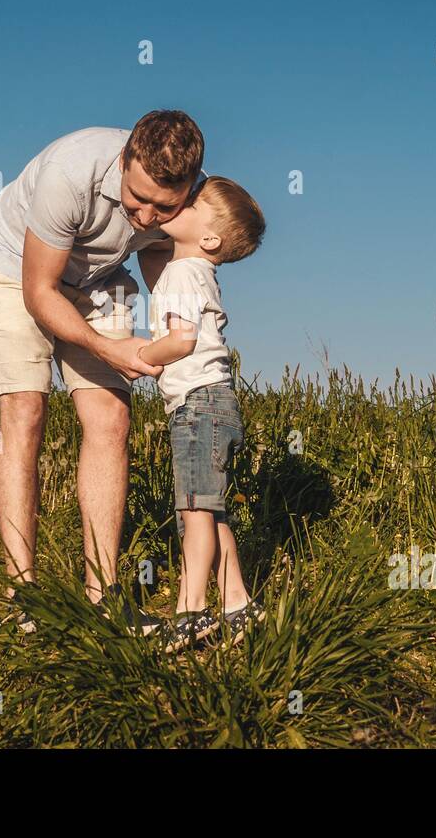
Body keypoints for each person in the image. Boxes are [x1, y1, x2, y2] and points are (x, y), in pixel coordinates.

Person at [0, 110, 205, 634]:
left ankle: (103, 597)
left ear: (189, 188)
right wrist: (106, 348)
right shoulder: (70, 172)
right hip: (17, 268)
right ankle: (23, 595)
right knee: (25, 409)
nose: (145, 216)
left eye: (163, 206)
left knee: (111, 421)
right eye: (137, 198)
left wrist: (180, 327)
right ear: (124, 159)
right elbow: (39, 292)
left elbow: (164, 256)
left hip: (101, 276)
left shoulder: (192, 198)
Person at [138, 176, 267, 650]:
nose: (179, 204)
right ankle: (238, 604)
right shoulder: (197, 272)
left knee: (193, 511)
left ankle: (190, 613)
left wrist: (141, 358)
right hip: (216, 401)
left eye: (192, 203)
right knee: (212, 512)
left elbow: (182, 341)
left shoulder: (181, 273)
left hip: (197, 404)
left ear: (210, 238)